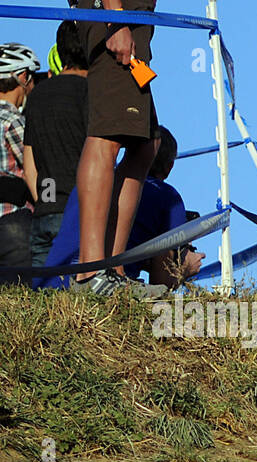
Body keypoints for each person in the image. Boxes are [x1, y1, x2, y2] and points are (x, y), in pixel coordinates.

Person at [70, 0, 161, 296]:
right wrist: (115, 17)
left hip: (132, 17)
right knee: (107, 135)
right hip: (115, 15)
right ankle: (91, 272)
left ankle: (114, 269)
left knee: (146, 142)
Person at [38, 125, 201, 290]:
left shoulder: (91, 182)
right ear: (170, 166)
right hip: (99, 287)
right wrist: (186, 268)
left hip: (48, 283)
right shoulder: (167, 197)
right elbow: (162, 280)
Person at [22, 20, 89, 268]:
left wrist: (45, 201)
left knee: (42, 297)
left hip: (45, 211)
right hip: (79, 214)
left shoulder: (38, 94)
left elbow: (30, 167)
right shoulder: (91, 91)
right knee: (81, 296)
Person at [0, 43, 38, 282]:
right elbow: (34, 171)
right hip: (13, 222)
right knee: (23, 296)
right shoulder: (14, 121)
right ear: (22, 77)